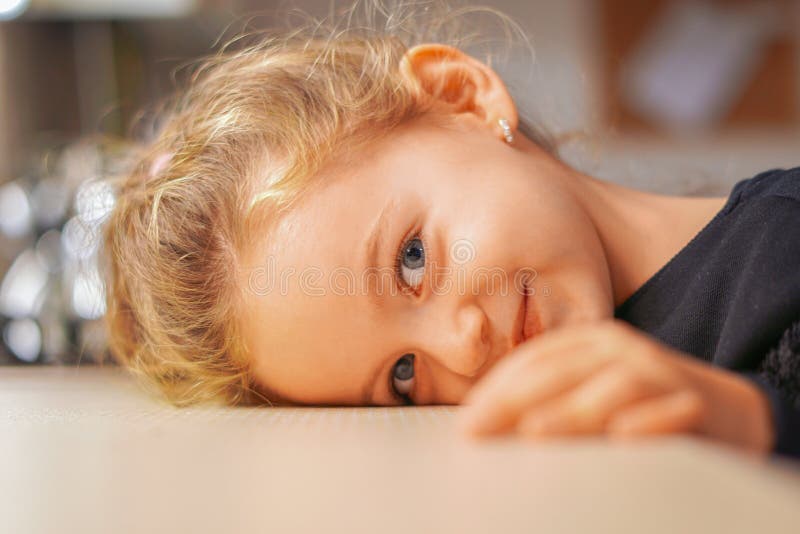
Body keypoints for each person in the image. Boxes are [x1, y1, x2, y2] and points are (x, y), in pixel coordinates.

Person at [101, 0, 799, 459]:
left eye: (411, 259)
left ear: (460, 96)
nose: (461, 352)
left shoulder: (784, 248)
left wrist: (749, 424)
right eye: (403, 377)